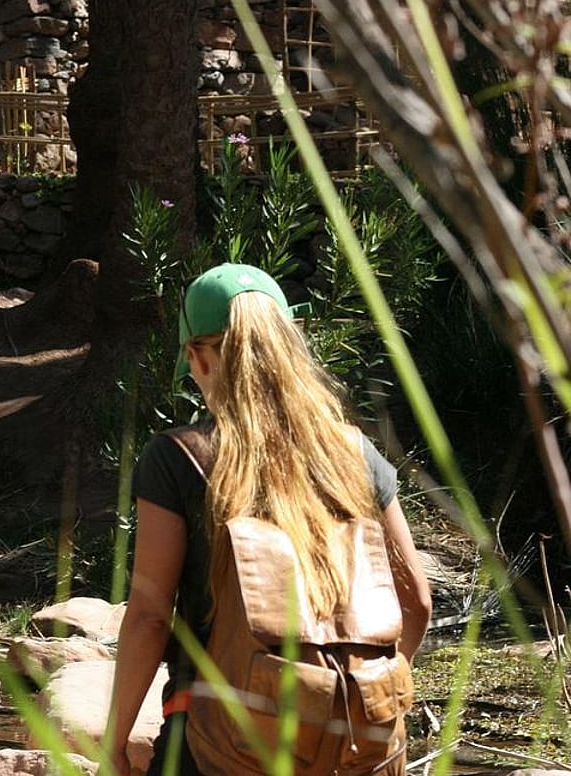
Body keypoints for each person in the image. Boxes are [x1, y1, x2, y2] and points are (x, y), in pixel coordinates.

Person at [103, 263, 432, 776]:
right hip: (357, 749)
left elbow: (149, 617)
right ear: (294, 341)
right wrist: (361, 701)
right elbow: (416, 601)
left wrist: (116, 743)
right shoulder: (355, 454)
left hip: (222, 744)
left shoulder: (178, 458)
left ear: (196, 356)